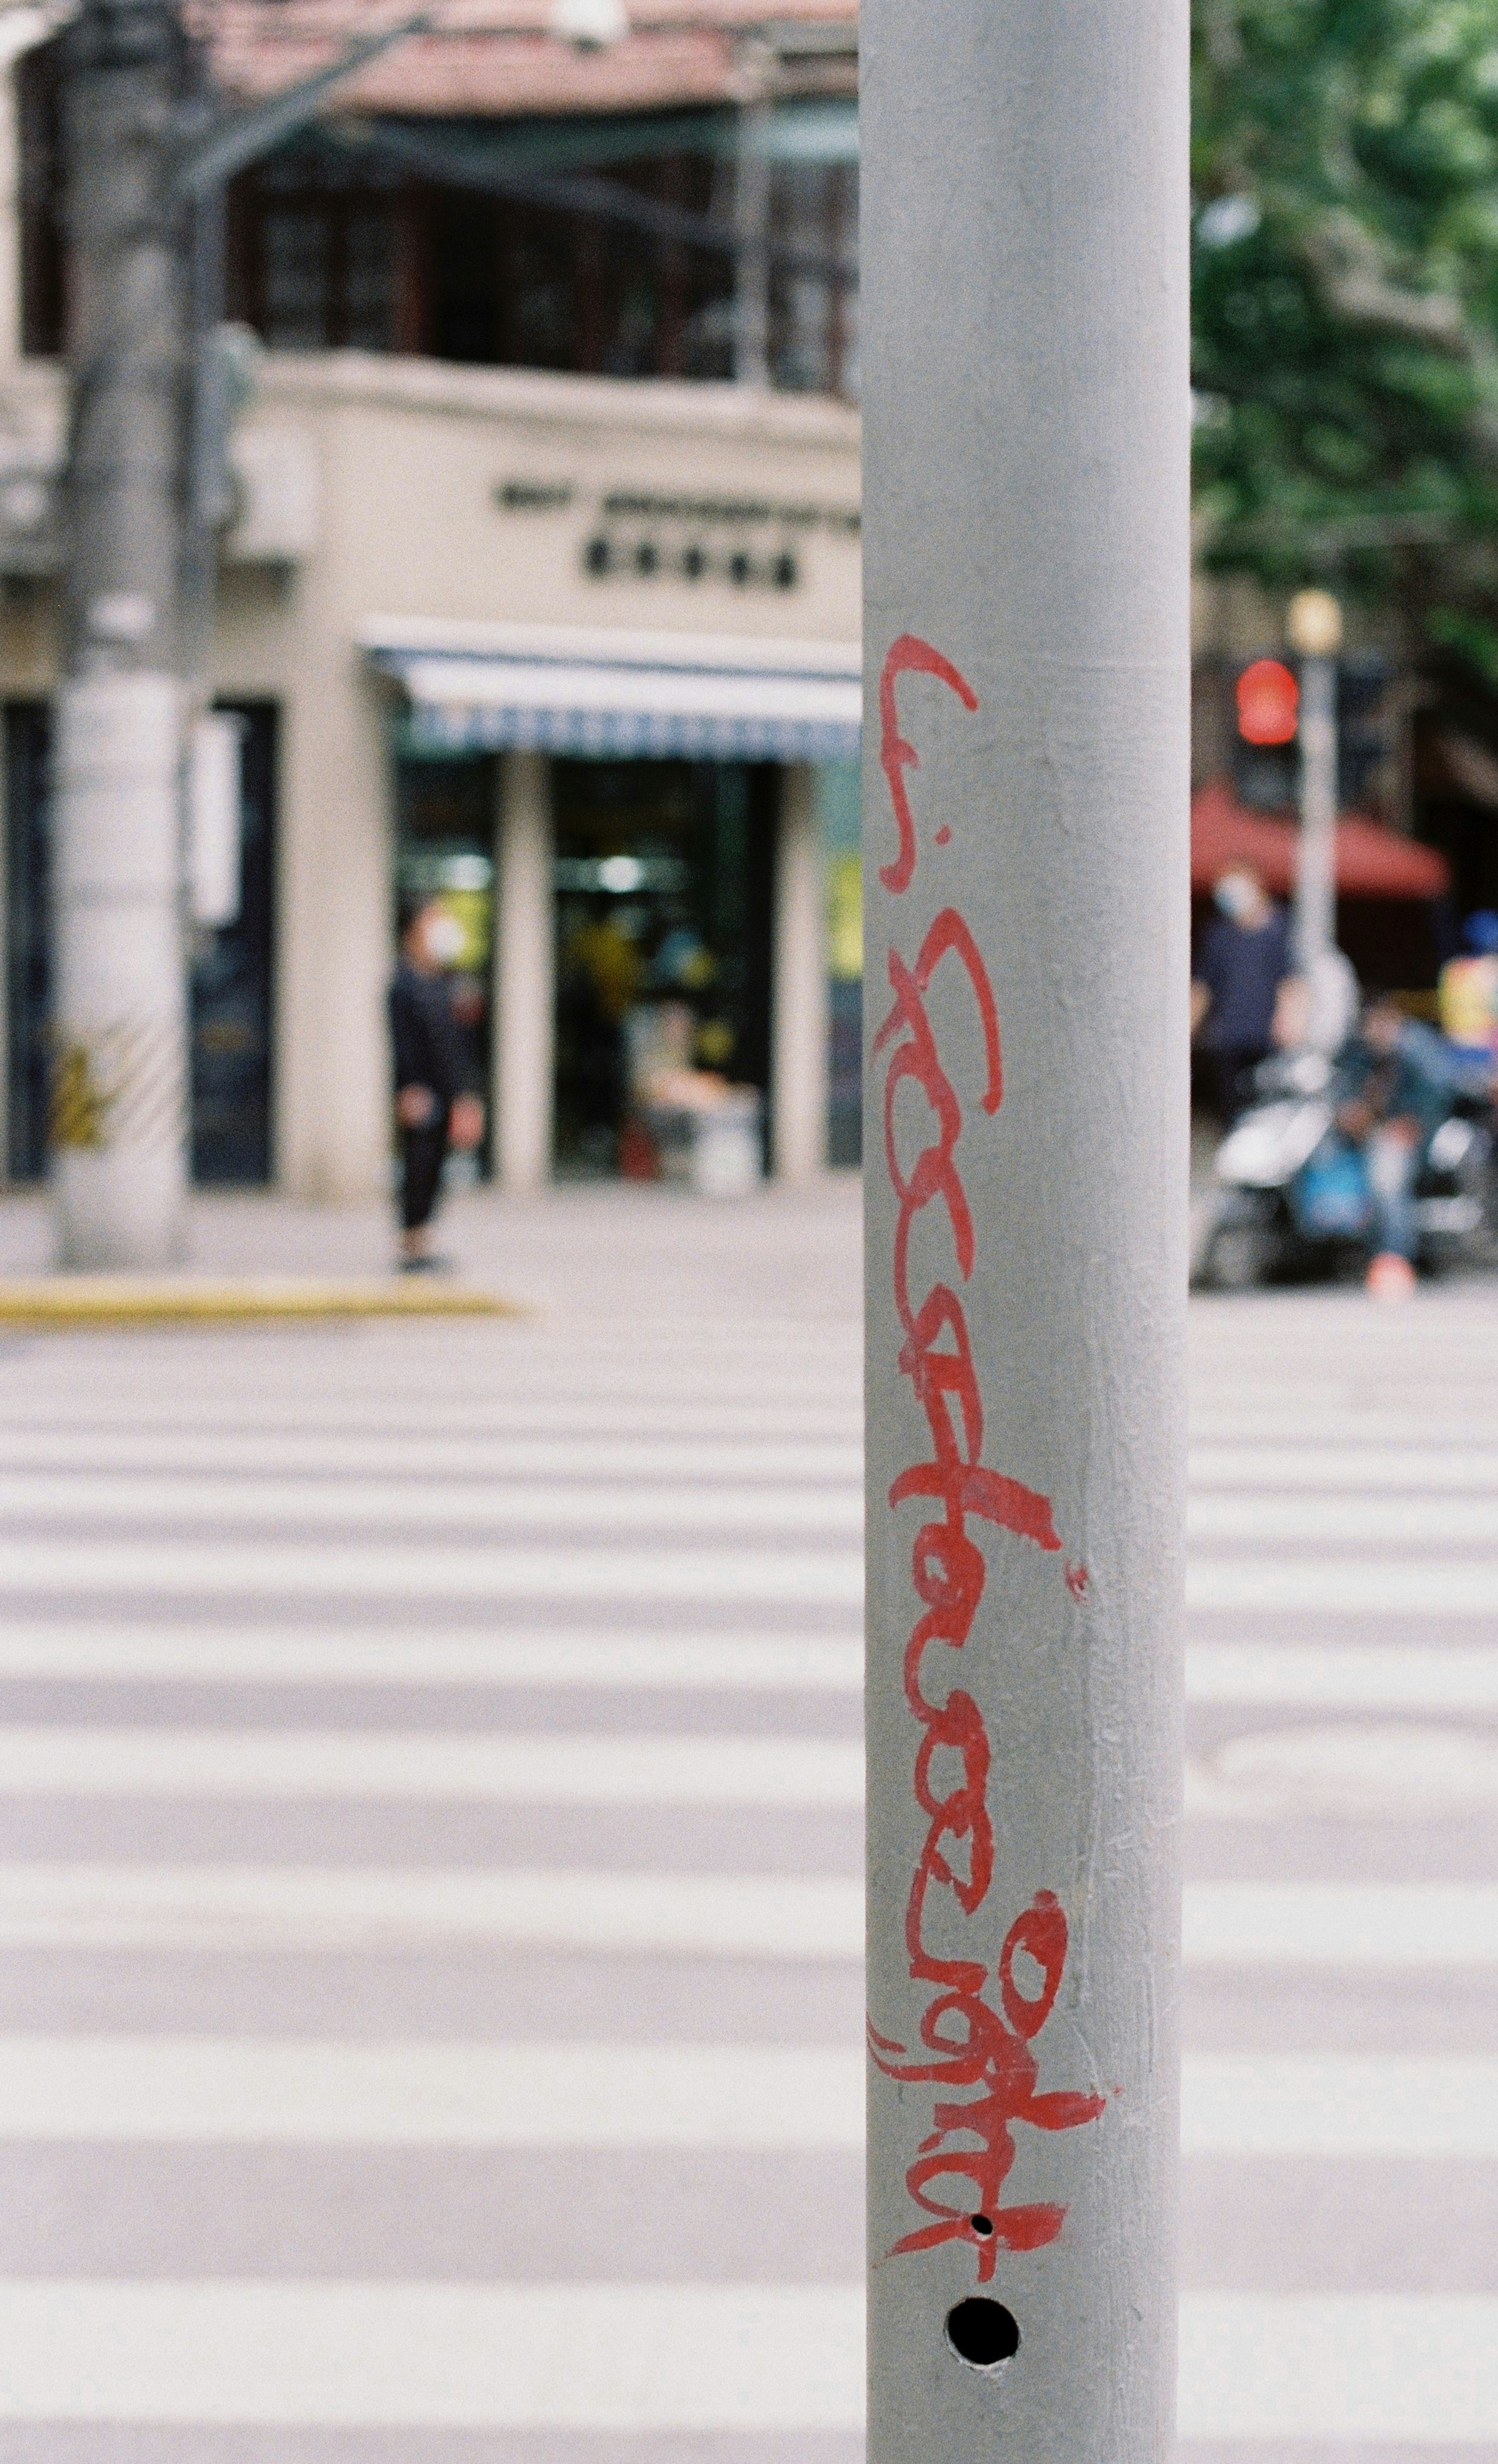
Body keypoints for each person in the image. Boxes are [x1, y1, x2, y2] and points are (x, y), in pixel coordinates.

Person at [388, 891, 484, 1271]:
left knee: (438, 1165)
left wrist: (464, 1094)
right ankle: (412, 1241)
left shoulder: (445, 980)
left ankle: (424, 1237)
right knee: (419, 1163)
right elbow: (403, 1043)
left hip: (447, 1088)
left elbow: (456, 1043)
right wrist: (407, 1088)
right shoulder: (403, 982)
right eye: (434, 917)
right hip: (421, 1090)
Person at [1336, 992, 1452, 1299]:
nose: (1376, 1031)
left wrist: (1414, 1122)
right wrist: (1350, 1111)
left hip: (1412, 1136)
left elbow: (1439, 1092)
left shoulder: (1417, 1048)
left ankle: (1394, 1258)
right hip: (1368, 1135)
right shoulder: (1361, 1052)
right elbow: (1344, 1087)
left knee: (1387, 1181)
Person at [1191, 865, 1299, 1123]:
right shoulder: (1218, 935)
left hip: (1267, 1039)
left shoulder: (1279, 929)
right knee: (1232, 1110)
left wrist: (1289, 1022)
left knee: (1266, 1112)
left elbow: (1291, 982)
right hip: (1228, 1037)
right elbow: (1201, 987)